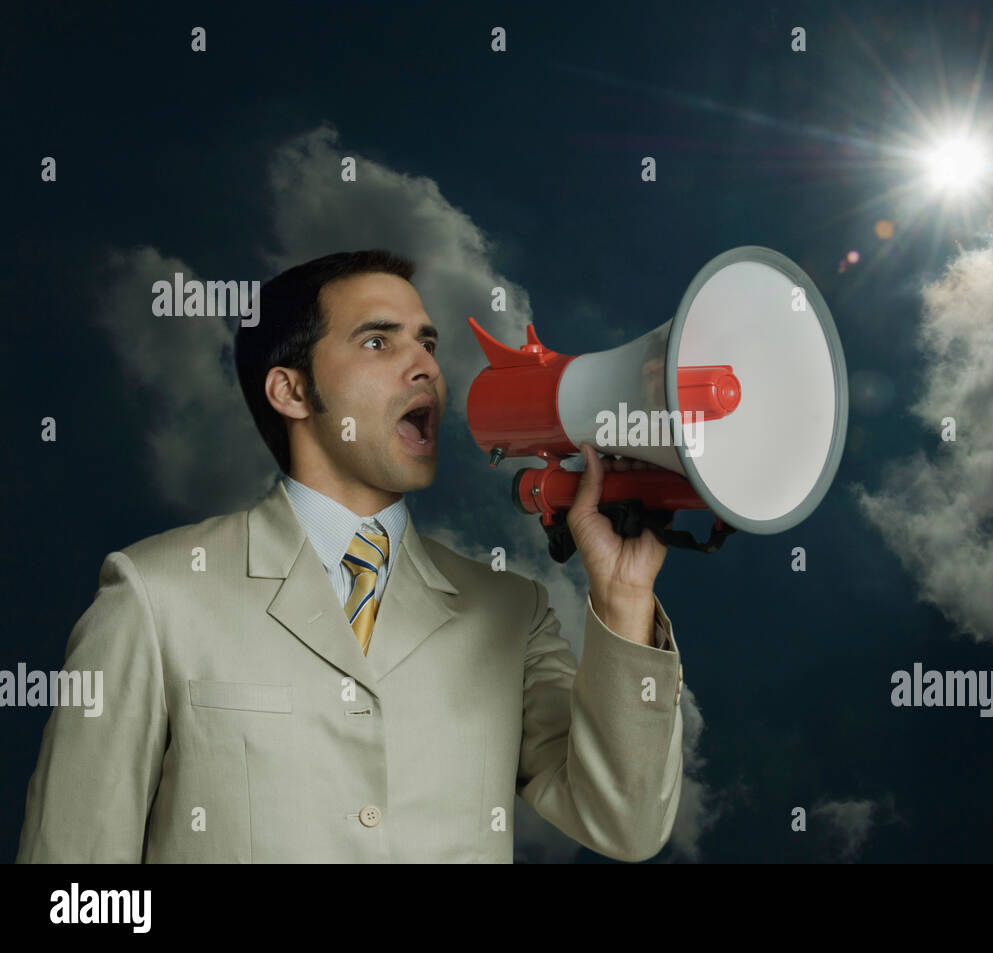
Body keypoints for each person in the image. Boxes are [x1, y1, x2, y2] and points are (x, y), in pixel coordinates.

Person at [17, 250, 684, 863]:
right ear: (293, 392)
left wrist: (625, 597)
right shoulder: (155, 595)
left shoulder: (513, 610)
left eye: (428, 342)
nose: (425, 364)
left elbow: (624, 821)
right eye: (377, 340)